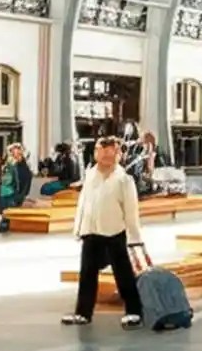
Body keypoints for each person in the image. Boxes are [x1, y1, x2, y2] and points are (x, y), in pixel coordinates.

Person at [62, 135, 145, 328]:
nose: (107, 156)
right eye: (102, 151)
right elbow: (84, 203)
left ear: (118, 155)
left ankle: (134, 311)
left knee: (123, 273)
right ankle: (83, 313)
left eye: (112, 152)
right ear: (96, 153)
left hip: (114, 232)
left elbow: (131, 211)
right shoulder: (91, 174)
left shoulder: (124, 179)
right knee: (87, 274)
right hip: (91, 231)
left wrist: (135, 237)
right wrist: (78, 228)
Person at [0, 143, 31, 233]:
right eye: (12, 152)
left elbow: (25, 180)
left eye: (18, 153)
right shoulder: (7, 165)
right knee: (4, 208)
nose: (14, 155)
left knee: (9, 207)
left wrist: (21, 195)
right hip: (6, 193)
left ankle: (7, 220)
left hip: (14, 194)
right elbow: (2, 180)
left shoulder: (22, 166)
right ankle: (5, 220)